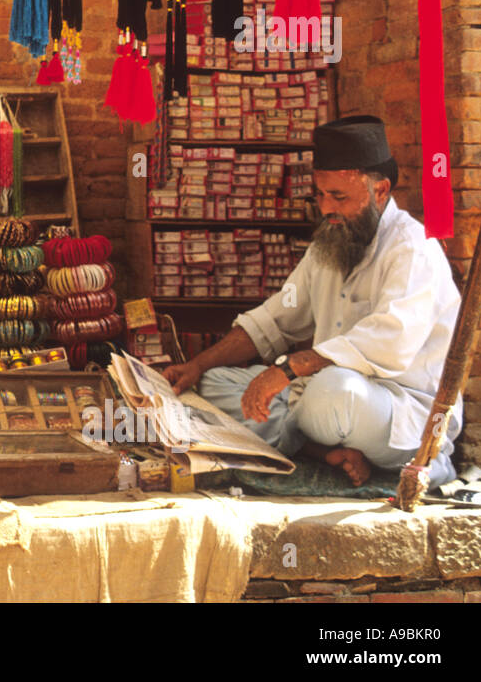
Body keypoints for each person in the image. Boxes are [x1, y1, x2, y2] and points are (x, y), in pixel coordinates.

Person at [162, 116, 461, 487]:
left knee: (333, 391)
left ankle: (320, 446)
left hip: (398, 409)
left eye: (339, 196)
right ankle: (327, 452)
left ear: (380, 191)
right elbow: (275, 320)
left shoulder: (415, 248)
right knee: (212, 385)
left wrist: (289, 369)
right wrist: (197, 363)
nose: (325, 208)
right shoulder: (329, 245)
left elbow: (391, 340)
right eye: (320, 195)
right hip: (318, 396)